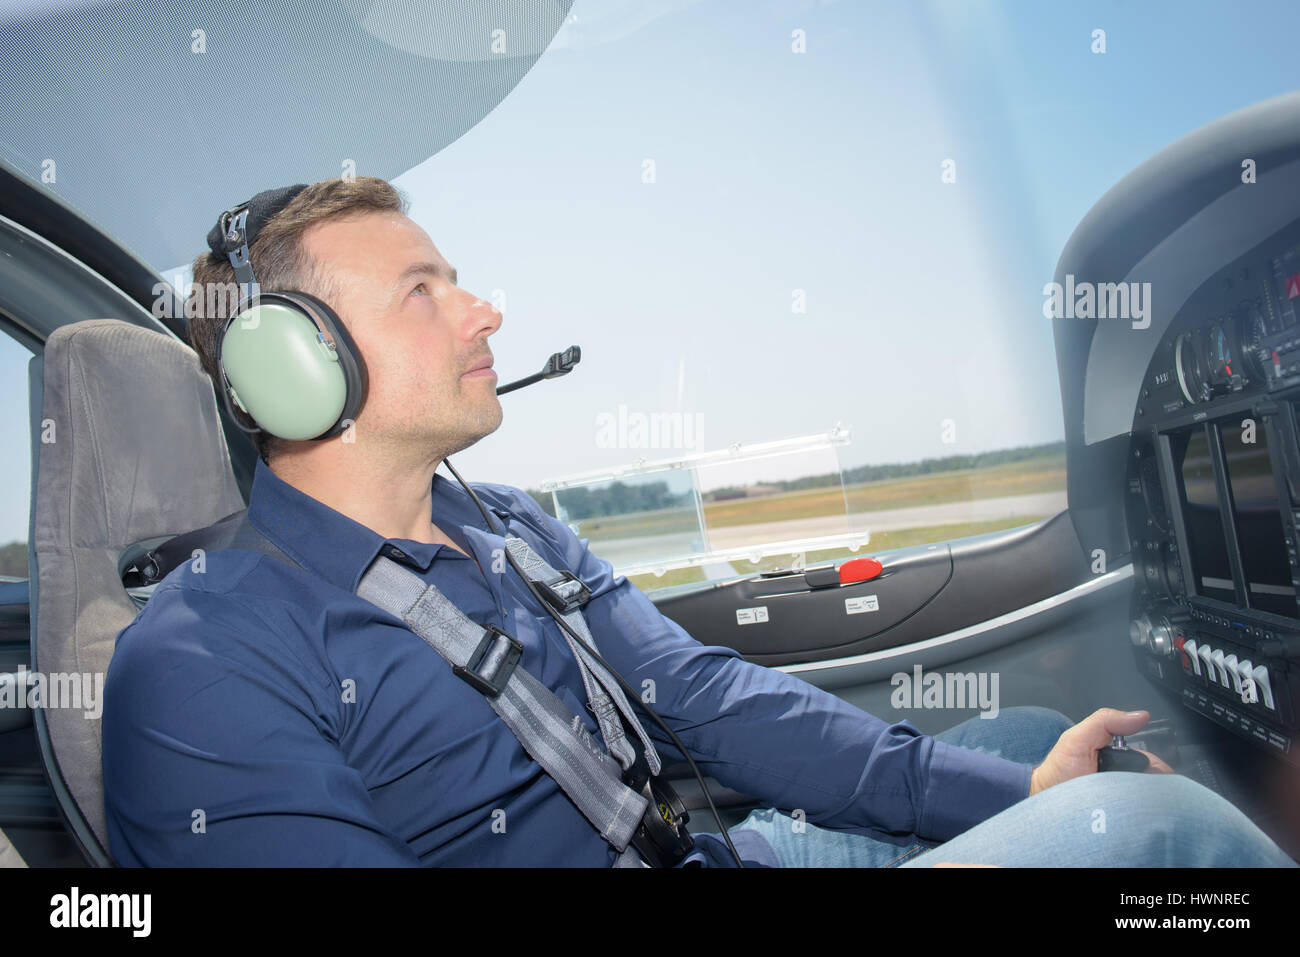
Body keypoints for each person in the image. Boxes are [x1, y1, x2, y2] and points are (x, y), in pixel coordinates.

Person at [101, 177, 1297, 867]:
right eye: (425, 289)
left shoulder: (509, 527)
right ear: (292, 371)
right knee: (1153, 837)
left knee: (1030, 737)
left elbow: (712, 702)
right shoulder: (201, 664)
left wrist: (1023, 797)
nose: (486, 312)